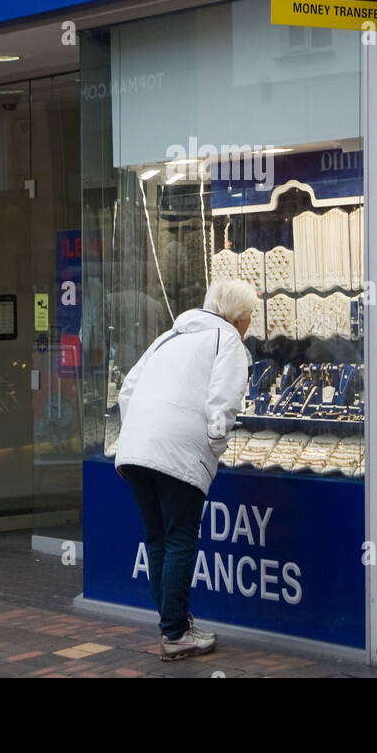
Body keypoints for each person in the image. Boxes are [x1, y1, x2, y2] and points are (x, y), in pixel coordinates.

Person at [114, 278, 257, 661]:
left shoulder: (167, 338)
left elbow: (127, 389)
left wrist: (139, 433)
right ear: (238, 318)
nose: (248, 327)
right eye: (248, 319)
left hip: (136, 450)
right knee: (179, 540)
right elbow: (224, 403)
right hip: (179, 452)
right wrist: (214, 446)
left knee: (157, 539)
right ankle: (175, 633)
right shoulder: (226, 342)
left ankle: (173, 626)